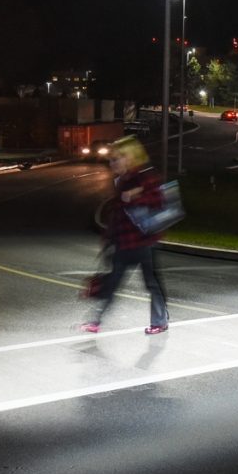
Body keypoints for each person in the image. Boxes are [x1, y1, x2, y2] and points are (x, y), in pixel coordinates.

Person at [81, 136, 170, 335]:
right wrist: (108, 238)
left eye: (116, 159)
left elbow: (158, 202)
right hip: (123, 242)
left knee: (151, 283)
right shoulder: (121, 180)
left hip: (144, 242)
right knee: (112, 282)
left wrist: (135, 195)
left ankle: (160, 321)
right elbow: (119, 213)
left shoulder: (145, 176)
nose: (112, 163)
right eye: (111, 160)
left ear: (129, 157)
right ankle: (95, 321)